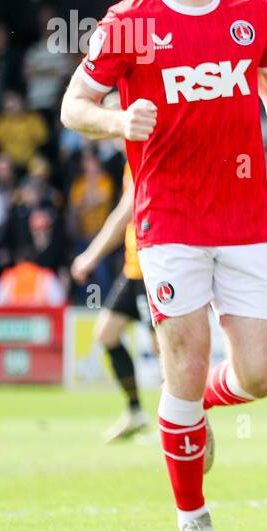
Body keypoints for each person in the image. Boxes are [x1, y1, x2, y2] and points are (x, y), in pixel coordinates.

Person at [60, 0, 267, 531]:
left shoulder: (254, 11)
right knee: (184, 358)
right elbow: (73, 107)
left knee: (262, 374)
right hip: (168, 220)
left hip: (243, 221)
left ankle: (192, 410)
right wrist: (120, 118)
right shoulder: (128, 21)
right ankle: (193, 516)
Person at [71, 158, 156, 443]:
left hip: (154, 268)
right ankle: (135, 411)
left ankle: (184, 423)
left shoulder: (144, 154)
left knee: (166, 353)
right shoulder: (128, 160)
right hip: (132, 270)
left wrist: (90, 256)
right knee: (106, 334)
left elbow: (124, 213)